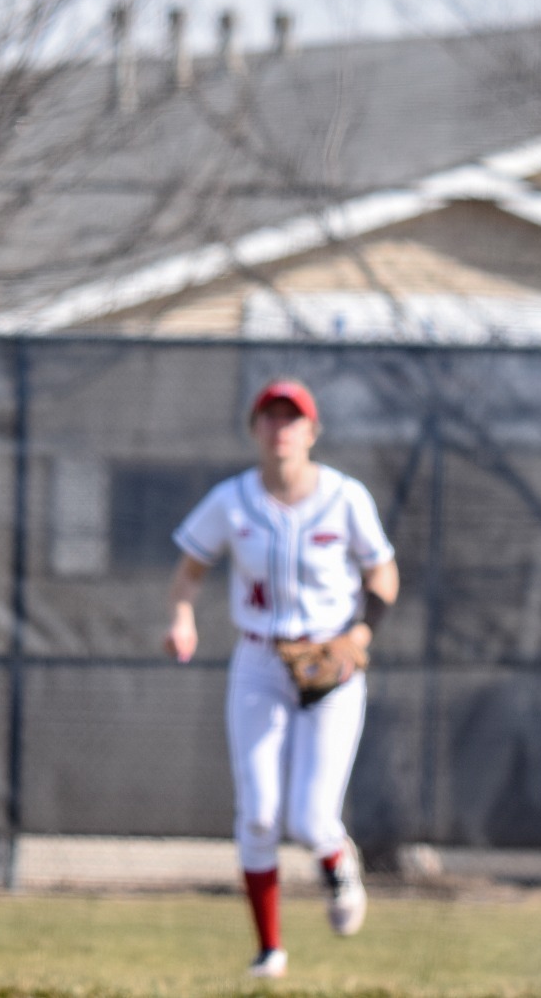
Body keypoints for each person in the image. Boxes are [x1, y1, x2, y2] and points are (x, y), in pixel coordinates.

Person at [162, 378, 399, 981]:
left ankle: (335, 857)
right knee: (261, 814)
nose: (281, 427)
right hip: (261, 660)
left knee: (312, 816)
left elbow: (384, 574)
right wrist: (181, 617)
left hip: (332, 660)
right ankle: (270, 950)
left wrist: (360, 637)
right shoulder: (233, 499)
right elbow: (190, 570)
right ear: (254, 429)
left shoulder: (345, 497)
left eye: (293, 418)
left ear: (312, 432)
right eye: (270, 416)